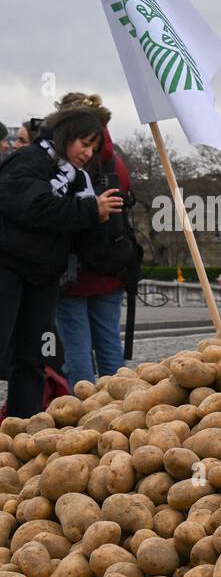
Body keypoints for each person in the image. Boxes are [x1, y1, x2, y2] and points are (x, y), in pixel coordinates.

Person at [0, 108, 122, 418]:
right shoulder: (28, 161)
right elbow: (37, 208)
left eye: (94, 147)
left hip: (43, 275)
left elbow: (75, 230)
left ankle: (20, 425)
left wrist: (103, 218)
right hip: (8, 265)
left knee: (33, 358)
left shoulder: (78, 178)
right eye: (84, 142)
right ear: (66, 136)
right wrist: (89, 210)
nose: (89, 152)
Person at [52, 94, 140, 388]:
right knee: (110, 349)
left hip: (71, 273)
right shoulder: (117, 163)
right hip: (112, 267)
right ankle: (119, 410)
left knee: (76, 350)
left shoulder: (65, 161)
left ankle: (83, 414)